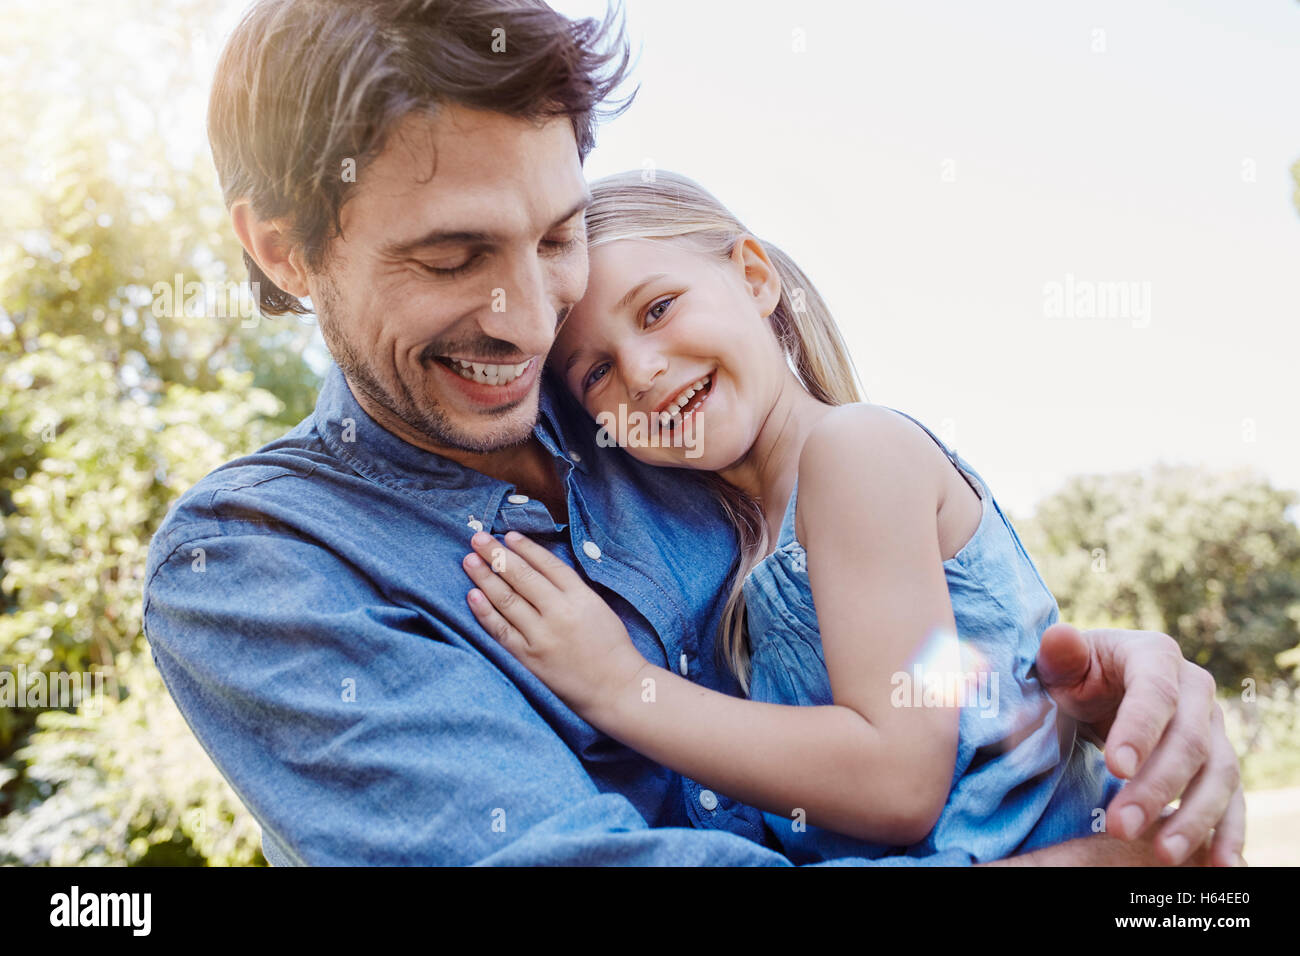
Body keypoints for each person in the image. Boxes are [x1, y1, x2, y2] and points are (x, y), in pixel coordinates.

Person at [143, 0, 1244, 866]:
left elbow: (925, 654)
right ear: (286, 252)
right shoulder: (256, 563)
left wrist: (1106, 691)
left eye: (559, 235)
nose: (529, 321)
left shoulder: (660, 424)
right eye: (451, 258)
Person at [461, 169, 1132, 864]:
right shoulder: (744, 551)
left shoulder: (857, 452)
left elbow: (899, 782)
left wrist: (621, 688)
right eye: (594, 372)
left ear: (754, 278)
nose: (642, 370)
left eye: (658, 309)